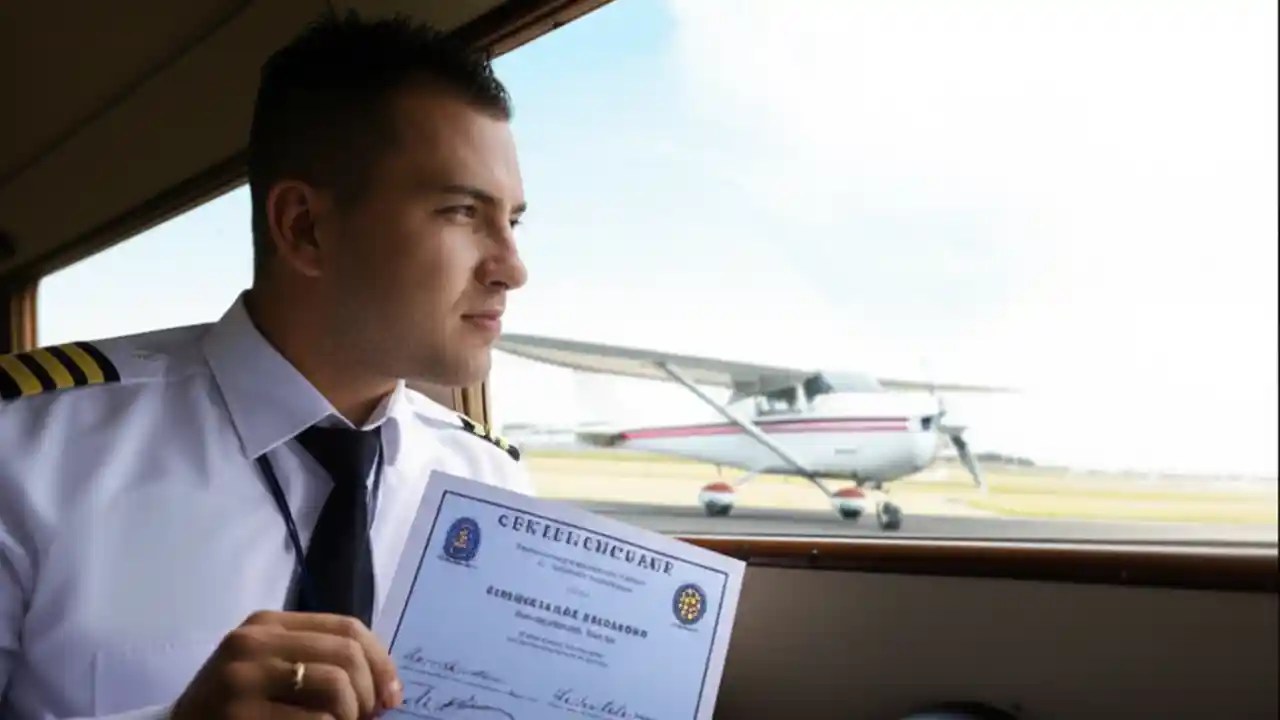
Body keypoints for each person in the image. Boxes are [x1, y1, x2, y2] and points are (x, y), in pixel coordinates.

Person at [0, 10, 532, 719]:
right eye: (462, 212)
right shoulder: (28, 452)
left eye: (512, 221)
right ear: (304, 228)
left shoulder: (492, 484)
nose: (512, 268)